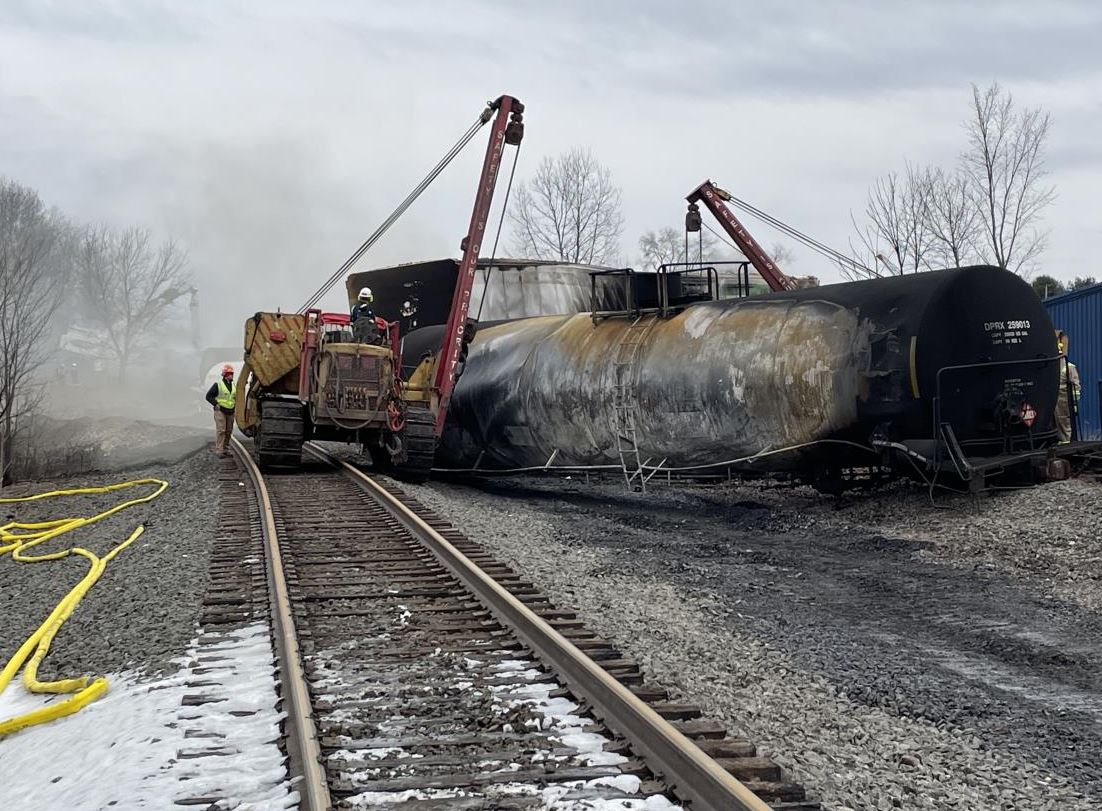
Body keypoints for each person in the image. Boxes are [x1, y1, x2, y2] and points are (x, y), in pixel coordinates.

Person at [1054, 329, 1081, 444]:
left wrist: (1073, 403)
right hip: (1055, 400)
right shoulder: (1052, 368)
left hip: (1064, 401)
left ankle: (1066, 442)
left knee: (1064, 421)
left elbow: (1076, 388)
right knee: (1056, 421)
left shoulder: (1069, 368)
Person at [205, 364, 237, 457]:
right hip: (220, 411)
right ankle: (219, 450)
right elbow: (208, 396)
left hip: (230, 411)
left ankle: (226, 449)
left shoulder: (233, 385)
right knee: (221, 431)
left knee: (228, 431)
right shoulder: (218, 384)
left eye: (232, 373)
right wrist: (215, 404)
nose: (231, 375)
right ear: (225, 375)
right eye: (230, 374)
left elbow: (234, 397)